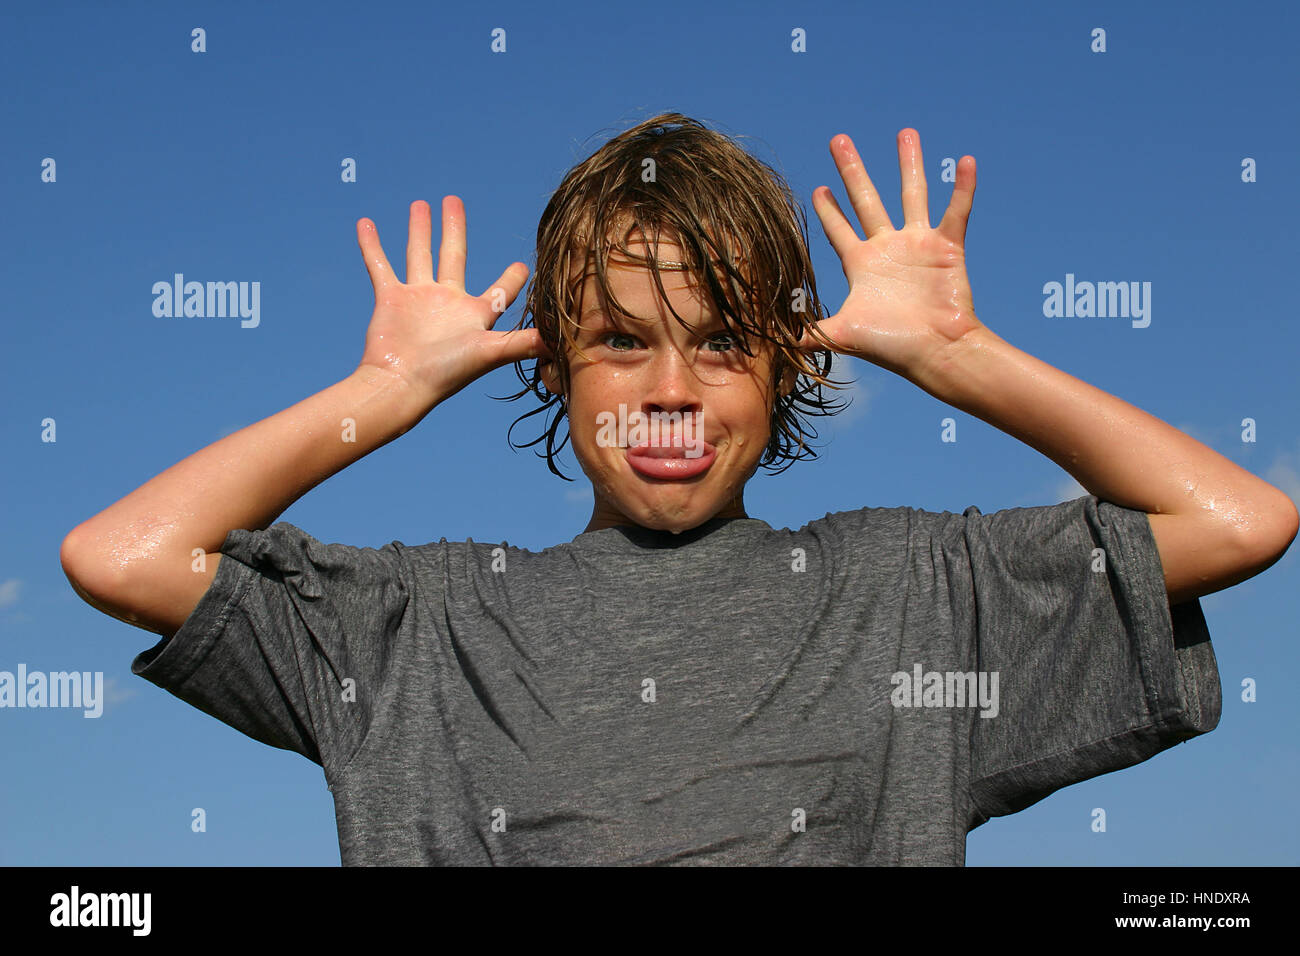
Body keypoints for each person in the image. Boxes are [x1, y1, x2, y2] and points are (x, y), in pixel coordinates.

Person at [60, 113, 1297, 865]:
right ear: (549, 364)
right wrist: (380, 391)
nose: (670, 388)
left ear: (788, 364)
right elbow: (124, 555)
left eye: (718, 343)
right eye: (614, 341)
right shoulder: (412, 627)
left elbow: (1240, 520)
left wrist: (958, 357)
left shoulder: (912, 592)